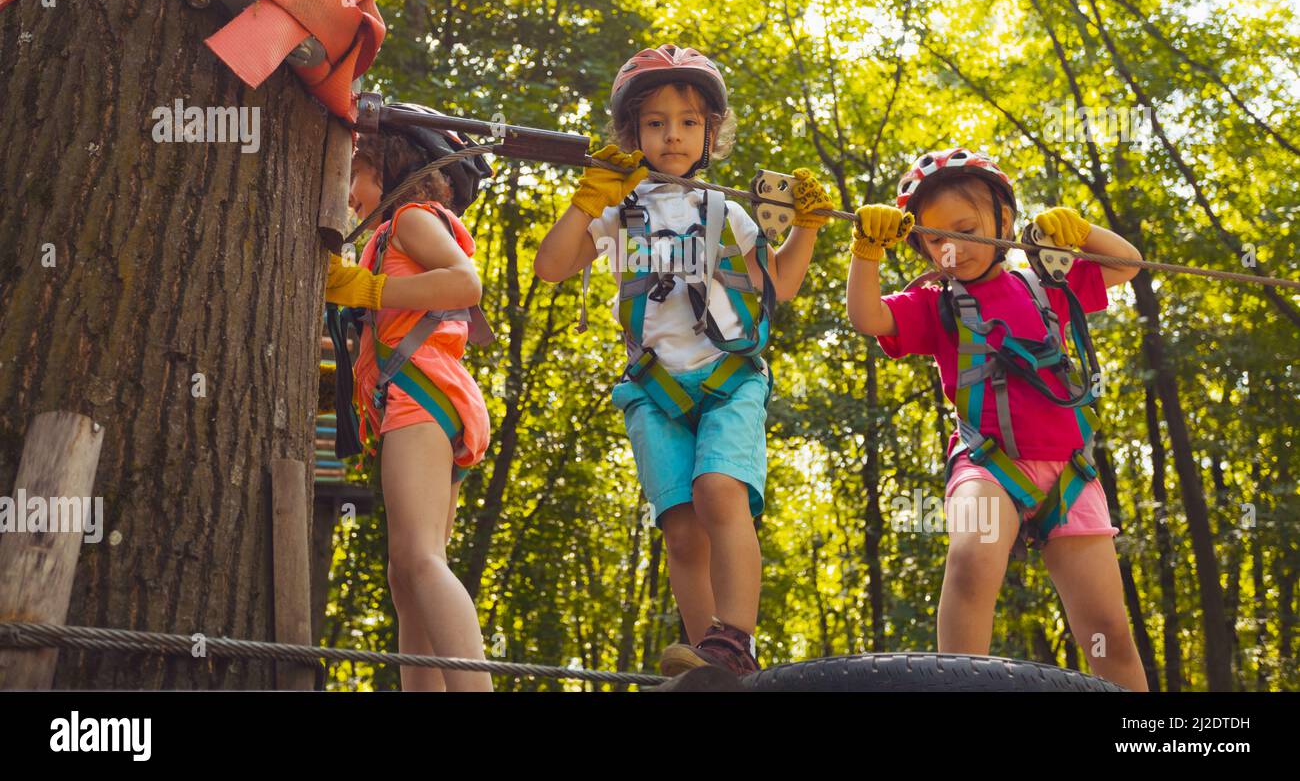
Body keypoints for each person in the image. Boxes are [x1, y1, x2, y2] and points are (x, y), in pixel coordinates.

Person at [534, 44, 833, 676]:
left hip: (729, 381)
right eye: (656, 122)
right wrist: (589, 200)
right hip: (654, 388)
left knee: (719, 491)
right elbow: (551, 268)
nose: (673, 135)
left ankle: (735, 638)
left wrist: (805, 227)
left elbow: (777, 286)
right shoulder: (618, 210)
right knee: (679, 526)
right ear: (632, 132)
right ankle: (709, 666)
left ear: (710, 133)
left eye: (689, 121)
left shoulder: (729, 212)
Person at [844, 147, 1149, 691]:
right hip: (989, 464)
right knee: (971, 564)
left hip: (1070, 473)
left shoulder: (1047, 284)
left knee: (1108, 630)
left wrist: (1081, 232)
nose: (953, 248)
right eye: (936, 240)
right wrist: (866, 251)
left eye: (965, 229)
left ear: (1004, 221)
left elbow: (1128, 263)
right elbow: (868, 316)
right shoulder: (933, 303)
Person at [324, 107, 493, 691]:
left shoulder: (411, 221)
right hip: (426, 399)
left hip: (419, 396)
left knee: (420, 560)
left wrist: (370, 287)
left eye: (357, 174)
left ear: (392, 168)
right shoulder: (391, 237)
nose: (349, 193)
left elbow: (466, 283)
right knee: (409, 572)